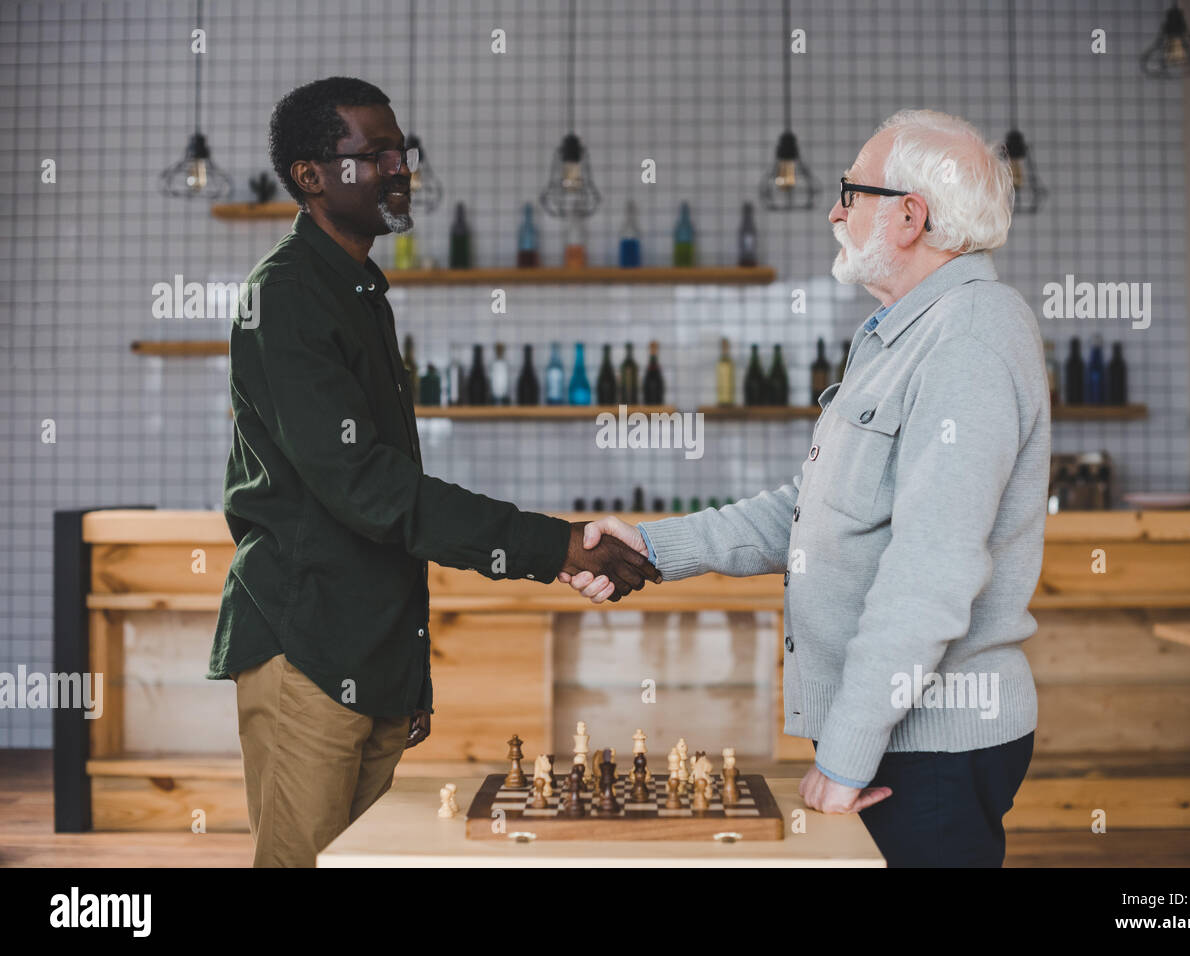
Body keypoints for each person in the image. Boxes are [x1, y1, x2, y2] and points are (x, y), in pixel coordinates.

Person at [560, 109, 1048, 867]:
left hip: (929, 747)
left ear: (910, 215)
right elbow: (810, 509)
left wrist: (849, 754)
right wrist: (652, 545)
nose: (834, 211)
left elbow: (932, 571)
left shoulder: (970, 338)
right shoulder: (900, 334)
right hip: (895, 735)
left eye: (851, 193)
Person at [206, 76, 660, 867]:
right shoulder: (284, 294)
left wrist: (407, 674)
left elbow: (385, 511)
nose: (398, 167)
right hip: (307, 648)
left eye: (401, 150)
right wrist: (553, 548)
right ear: (311, 175)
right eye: (373, 153)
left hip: (373, 659)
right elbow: (369, 490)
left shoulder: (359, 292)